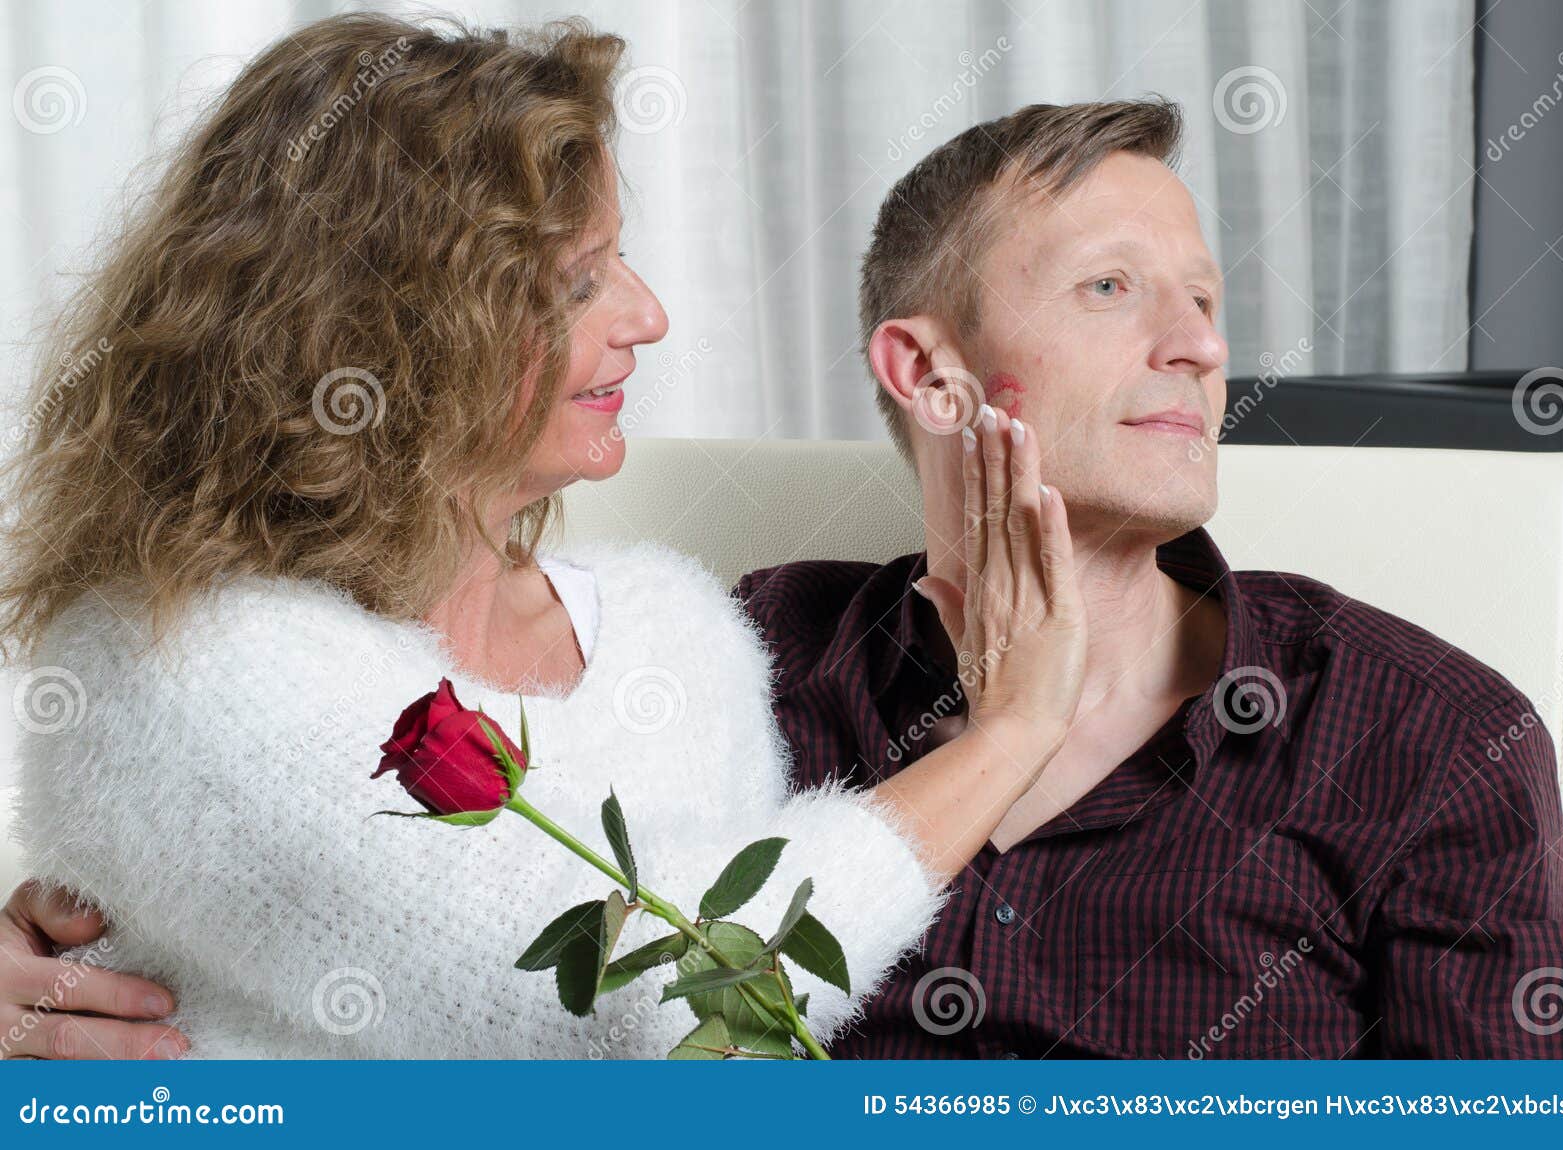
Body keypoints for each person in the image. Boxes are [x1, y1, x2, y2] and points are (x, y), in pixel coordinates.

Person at [0, 14, 1088, 1059]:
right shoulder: (179, 653)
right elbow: (644, 1017)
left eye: (620, 261)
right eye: (579, 283)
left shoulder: (675, 630)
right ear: (386, 332)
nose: (647, 314)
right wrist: (1010, 728)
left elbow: (750, 1061)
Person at [736, 100, 1563, 1058]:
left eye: (1203, 301)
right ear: (930, 372)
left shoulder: (1426, 735)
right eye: (1109, 286)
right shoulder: (741, 666)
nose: (1202, 346)